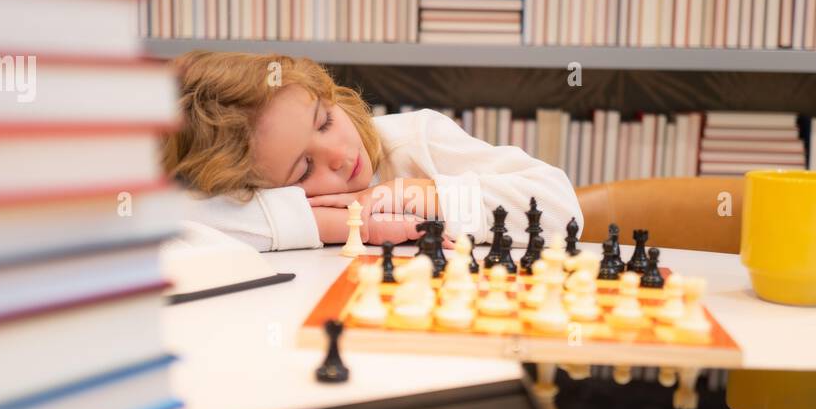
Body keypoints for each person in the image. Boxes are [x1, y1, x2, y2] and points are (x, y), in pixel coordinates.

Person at [163, 51, 583, 252]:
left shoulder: (415, 139)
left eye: (325, 121)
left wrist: (410, 194)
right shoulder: (239, 196)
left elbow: (562, 208)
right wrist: (343, 224)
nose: (341, 156)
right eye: (304, 168)